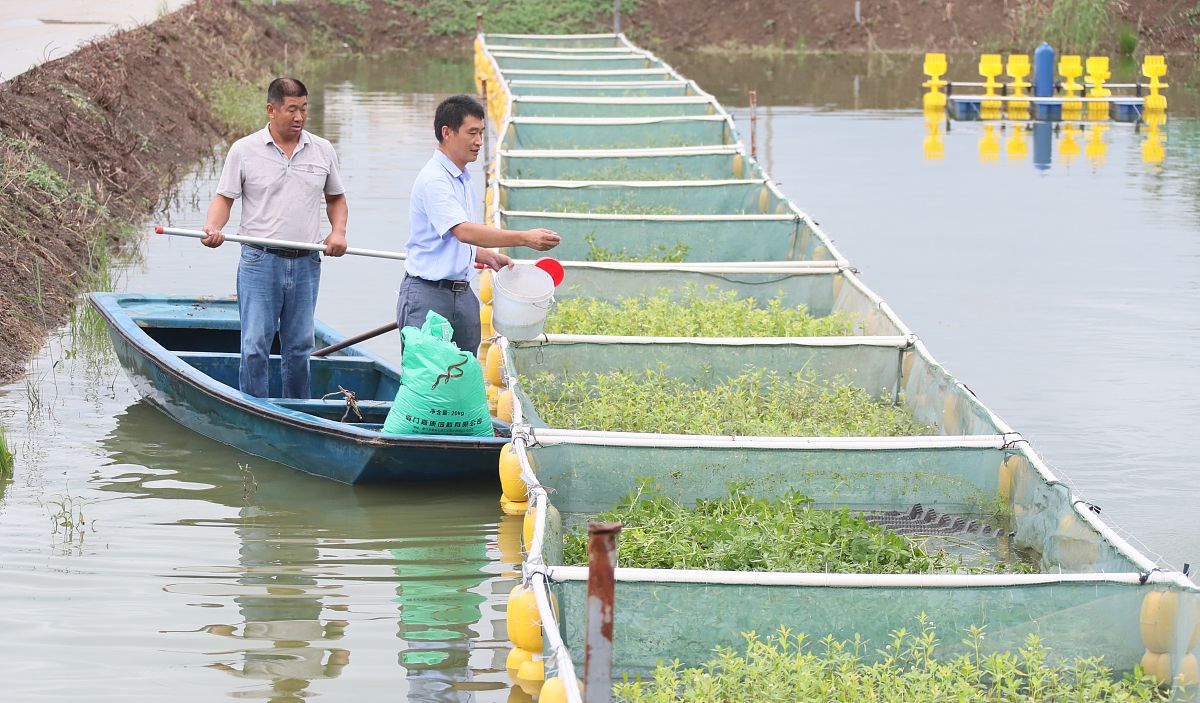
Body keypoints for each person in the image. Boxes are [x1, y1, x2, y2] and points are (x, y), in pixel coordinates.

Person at [199, 77, 348, 399]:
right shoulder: (244, 150)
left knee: (300, 347)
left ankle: (299, 411)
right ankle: (254, 406)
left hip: (306, 263)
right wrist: (213, 228)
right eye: (291, 109)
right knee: (255, 345)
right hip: (260, 260)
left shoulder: (322, 149)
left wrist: (338, 232)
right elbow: (224, 199)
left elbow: (335, 199)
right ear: (271, 109)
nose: (299, 117)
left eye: (304, 109)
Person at [399, 94, 559, 354]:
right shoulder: (434, 179)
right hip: (429, 295)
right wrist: (524, 238)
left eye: (482, 133)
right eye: (472, 133)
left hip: (462, 294)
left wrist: (485, 255)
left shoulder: (461, 177)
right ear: (447, 133)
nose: (479, 141)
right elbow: (463, 231)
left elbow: (450, 239)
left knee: (465, 372)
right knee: (428, 374)